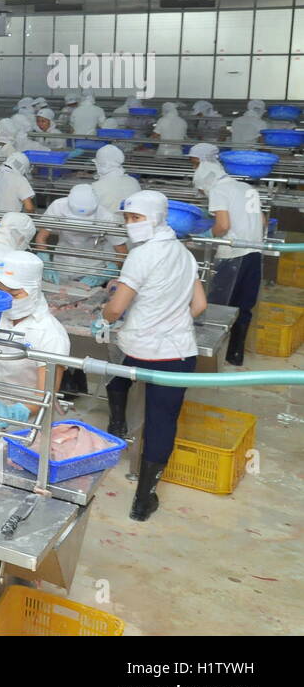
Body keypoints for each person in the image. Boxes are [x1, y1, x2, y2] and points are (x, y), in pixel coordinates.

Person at [96, 191, 206, 521]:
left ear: (156, 218)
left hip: (138, 348)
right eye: (128, 218)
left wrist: (106, 307)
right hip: (177, 354)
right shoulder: (185, 255)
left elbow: (116, 309)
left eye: (137, 218)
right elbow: (199, 306)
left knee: (117, 375)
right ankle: (143, 500)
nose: (131, 225)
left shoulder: (140, 256)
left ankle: (117, 424)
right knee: (162, 422)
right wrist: (169, 313)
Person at [0, 252, 70, 427]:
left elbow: (46, 393)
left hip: (27, 420)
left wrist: (15, 413)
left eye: (14, 294)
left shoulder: (50, 333)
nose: (6, 300)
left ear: (34, 290)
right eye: (0, 292)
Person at [195, 161, 265, 366]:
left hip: (232, 255)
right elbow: (261, 221)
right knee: (244, 306)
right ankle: (235, 355)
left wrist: (206, 236)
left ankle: (210, 362)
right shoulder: (246, 187)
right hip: (254, 253)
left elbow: (223, 225)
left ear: (206, 182)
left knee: (218, 306)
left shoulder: (218, 189)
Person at [34, 184, 127, 285]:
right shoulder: (58, 206)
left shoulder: (106, 217)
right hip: (62, 263)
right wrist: (45, 261)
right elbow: (41, 237)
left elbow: (122, 252)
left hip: (92, 268)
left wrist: (105, 273)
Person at [90, 144, 140, 223]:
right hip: (133, 226)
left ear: (101, 164)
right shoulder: (133, 181)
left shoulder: (95, 187)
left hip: (109, 231)